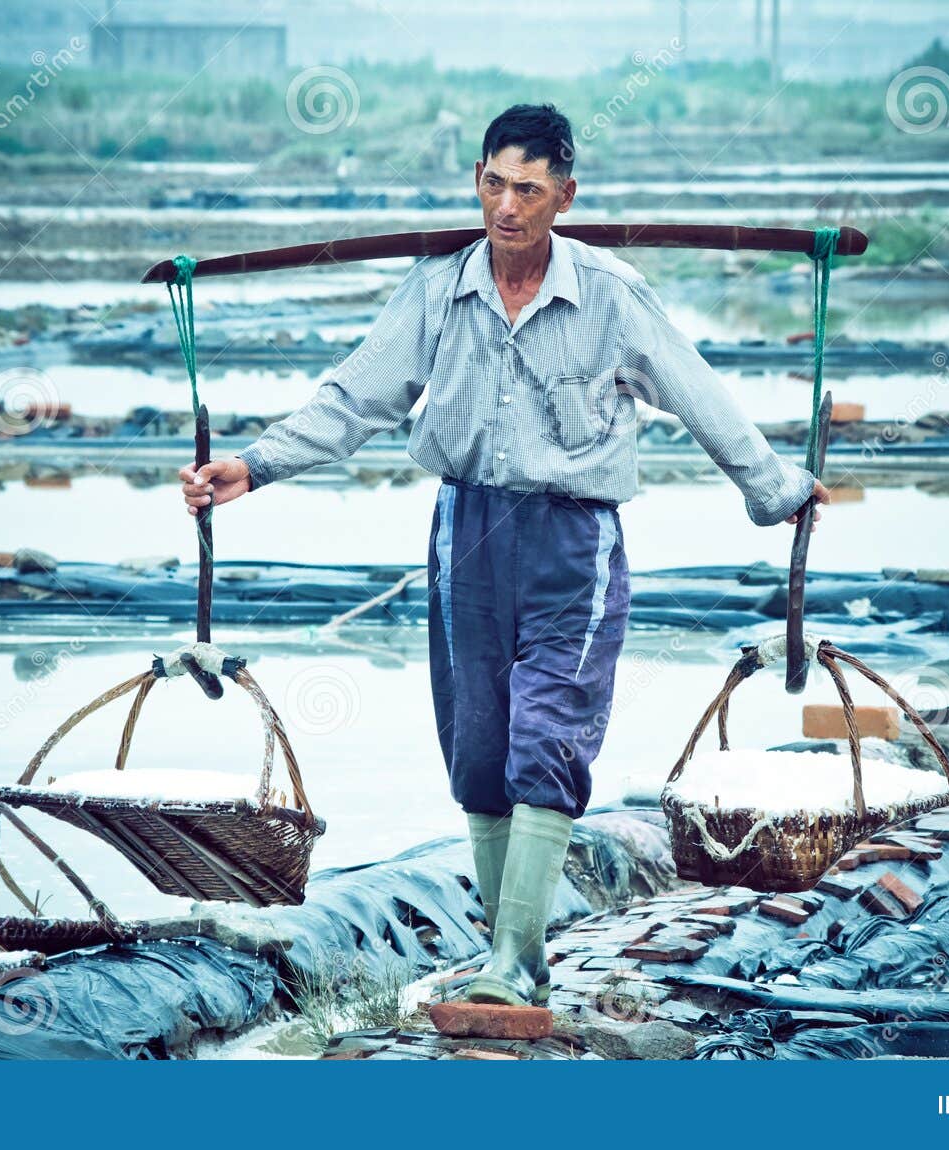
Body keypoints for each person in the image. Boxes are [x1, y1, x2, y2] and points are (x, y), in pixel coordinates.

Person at [179, 103, 827, 1008]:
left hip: (573, 541)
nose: (506, 206)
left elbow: (699, 395)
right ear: (476, 182)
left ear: (566, 194)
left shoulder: (609, 294)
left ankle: (513, 964)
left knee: (547, 735)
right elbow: (358, 395)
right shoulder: (442, 288)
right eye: (492, 184)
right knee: (478, 751)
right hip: (465, 535)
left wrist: (778, 489)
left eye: (528, 188)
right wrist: (255, 465)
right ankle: (507, 952)